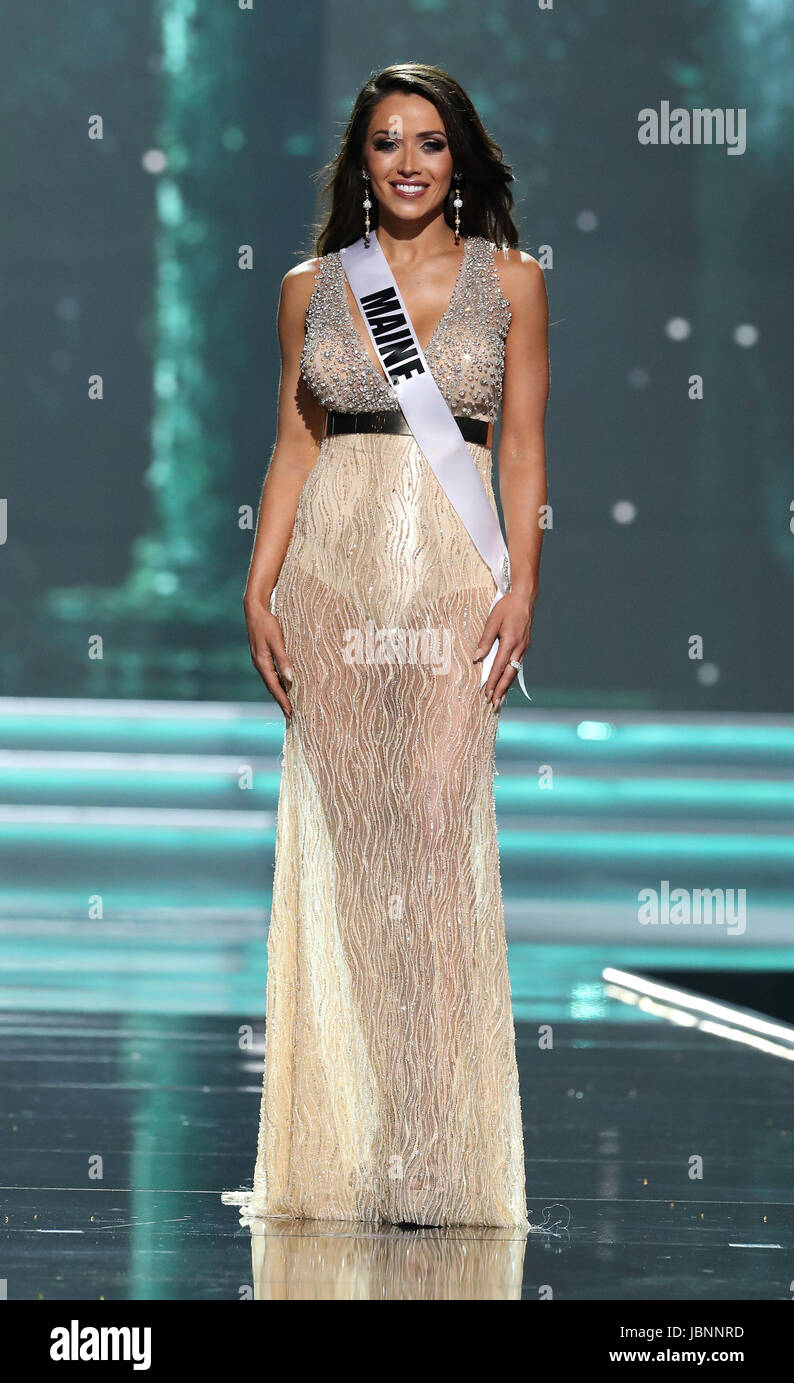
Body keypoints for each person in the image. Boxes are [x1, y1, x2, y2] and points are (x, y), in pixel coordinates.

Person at [223, 61, 549, 1230]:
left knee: (431, 833)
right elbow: (294, 447)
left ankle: (432, 1134)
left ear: (458, 157)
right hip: (333, 582)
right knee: (361, 861)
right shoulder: (312, 286)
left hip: (454, 584)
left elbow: (517, 449)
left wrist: (519, 588)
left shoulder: (510, 281)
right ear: (359, 163)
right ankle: (367, 1136)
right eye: (384, 145)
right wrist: (258, 589)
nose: (407, 164)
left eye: (427, 143)